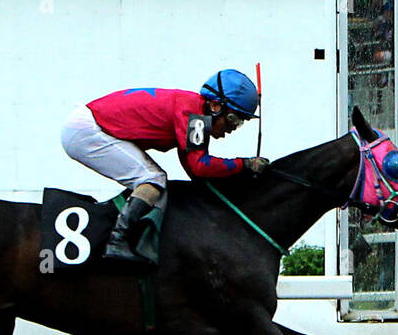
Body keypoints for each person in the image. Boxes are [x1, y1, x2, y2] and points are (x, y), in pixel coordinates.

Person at [61, 69, 270, 262]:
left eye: (239, 123)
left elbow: (194, 170)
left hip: (87, 125)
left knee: (154, 178)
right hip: (87, 131)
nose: (233, 128)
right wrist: (244, 165)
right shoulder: (193, 116)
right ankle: (117, 242)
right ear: (215, 106)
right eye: (233, 119)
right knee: (153, 178)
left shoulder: (194, 110)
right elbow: (200, 166)